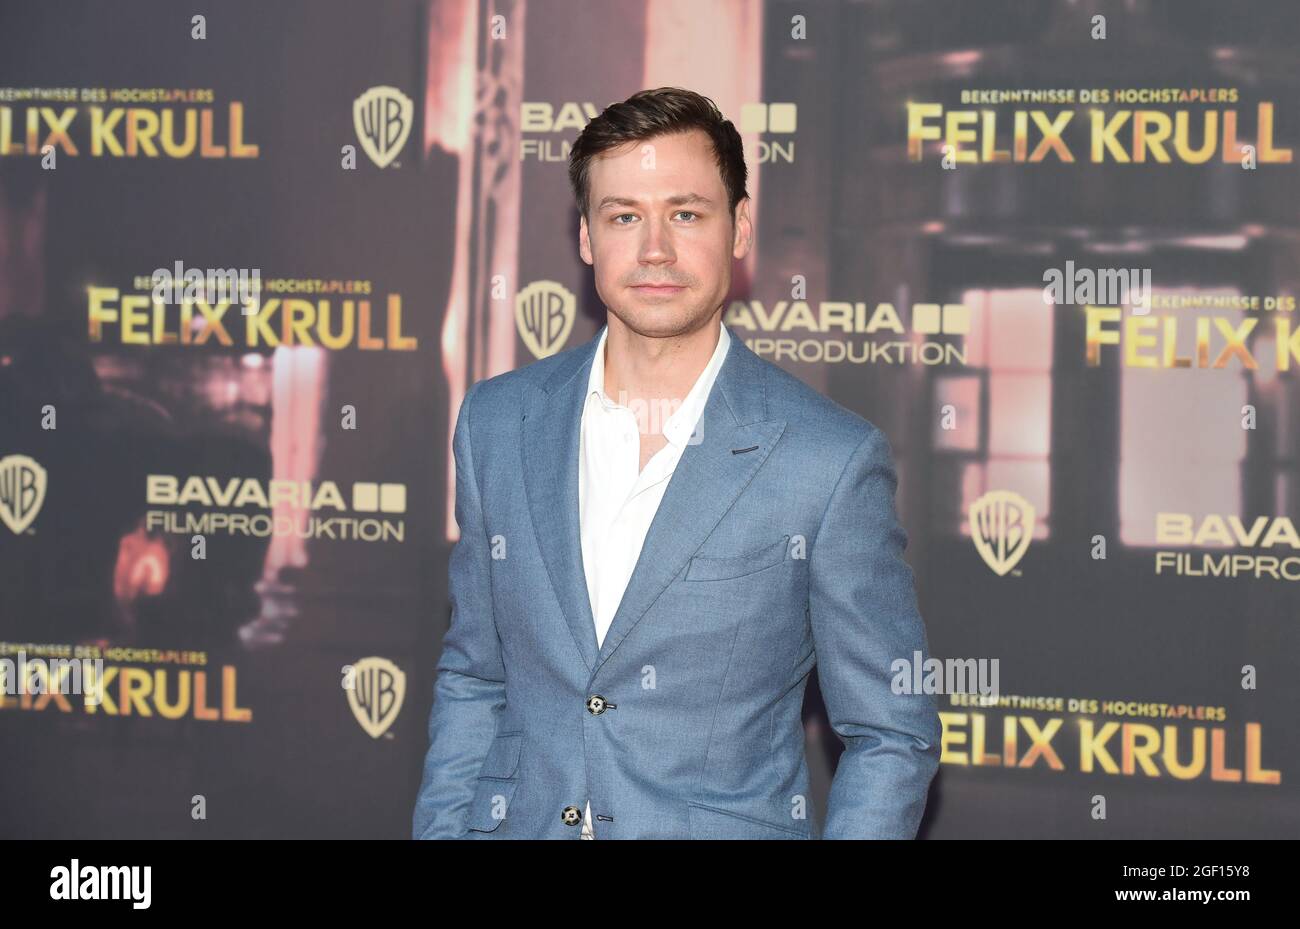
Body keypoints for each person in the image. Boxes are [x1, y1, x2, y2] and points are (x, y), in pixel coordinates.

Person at [413, 87, 940, 839]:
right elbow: (475, 677)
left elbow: (892, 730)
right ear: (587, 237)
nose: (654, 248)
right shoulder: (497, 423)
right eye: (624, 215)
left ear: (739, 228)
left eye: (685, 213)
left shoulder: (827, 460)